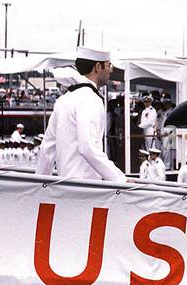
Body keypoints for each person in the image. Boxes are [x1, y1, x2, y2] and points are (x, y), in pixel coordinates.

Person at [34, 47, 127, 183]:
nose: (111, 70)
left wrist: (39, 184)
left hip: (64, 184)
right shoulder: (91, 99)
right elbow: (87, 147)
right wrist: (120, 179)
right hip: (85, 188)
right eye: (108, 65)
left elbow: (47, 149)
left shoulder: (64, 99)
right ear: (97, 67)